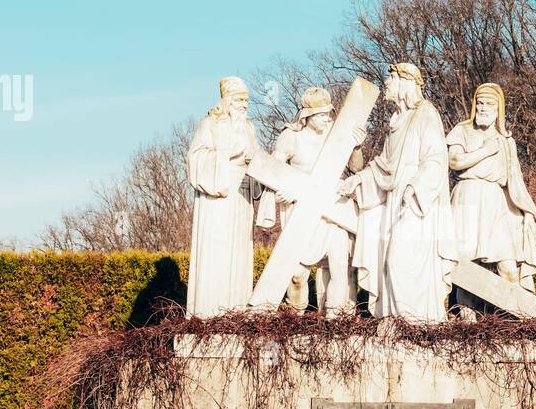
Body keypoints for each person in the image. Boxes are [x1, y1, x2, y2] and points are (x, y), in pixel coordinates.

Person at [338, 63, 457, 321]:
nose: (387, 84)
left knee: (400, 258)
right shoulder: (396, 122)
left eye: (390, 79)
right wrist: (357, 180)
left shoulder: (426, 113)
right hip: (394, 199)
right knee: (388, 262)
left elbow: (436, 158)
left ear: (406, 82)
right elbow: (383, 166)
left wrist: (416, 186)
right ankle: (396, 319)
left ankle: (413, 321)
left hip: (417, 202)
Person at [256, 86, 357, 313]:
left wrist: (357, 147)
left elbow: (355, 166)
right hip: (301, 210)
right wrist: (286, 190)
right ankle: (295, 317)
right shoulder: (291, 137)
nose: (326, 119)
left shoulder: (336, 134)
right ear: (307, 116)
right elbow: (273, 170)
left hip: (333, 208)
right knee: (296, 274)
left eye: (328, 114)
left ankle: (336, 319)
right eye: (321, 115)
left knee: (340, 267)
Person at [446, 82, 536, 291]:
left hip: (495, 201)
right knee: (466, 261)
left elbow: (515, 181)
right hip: (467, 196)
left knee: (507, 264)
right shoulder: (462, 130)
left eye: (489, 104)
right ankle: (466, 309)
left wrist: (526, 212)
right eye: (480, 103)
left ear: (498, 109)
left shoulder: (506, 141)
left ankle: (516, 309)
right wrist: (485, 151)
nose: (483, 108)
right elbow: (454, 161)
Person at [186, 76, 259, 318]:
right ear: (227, 100)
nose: (244, 104)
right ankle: (209, 312)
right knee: (217, 251)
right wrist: (228, 154)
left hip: (243, 194)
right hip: (218, 197)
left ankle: (236, 311)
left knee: (240, 253)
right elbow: (196, 159)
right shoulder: (210, 124)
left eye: (246, 100)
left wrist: (257, 165)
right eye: (239, 100)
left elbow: (258, 160)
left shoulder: (248, 128)